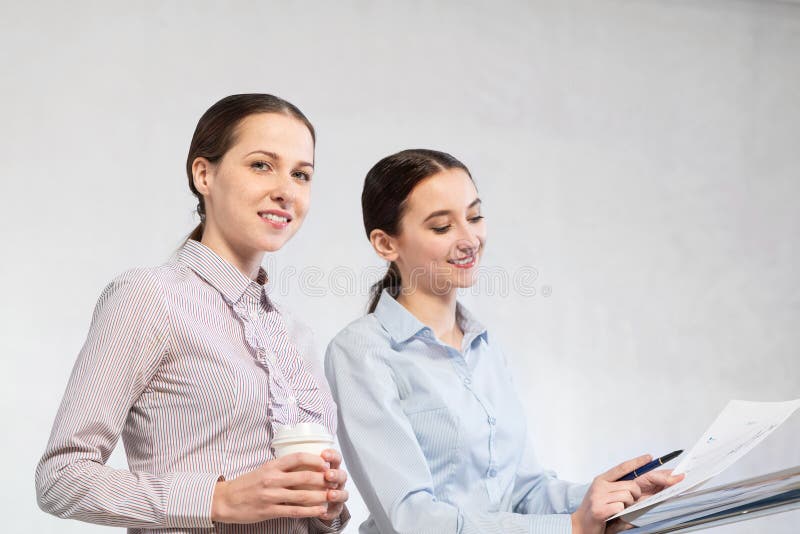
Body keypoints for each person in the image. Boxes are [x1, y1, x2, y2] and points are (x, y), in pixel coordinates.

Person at [324, 149, 682, 534]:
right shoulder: (362, 352)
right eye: (442, 227)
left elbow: (526, 492)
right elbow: (412, 519)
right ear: (385, 244)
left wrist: (610, 497)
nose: (469, 239)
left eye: (475, 217)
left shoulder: (483, 345)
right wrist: (572, 528)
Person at [36, 94, 349, 533]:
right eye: (262, 164)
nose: (285, 189)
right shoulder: (148, 297)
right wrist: (217, 499)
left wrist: (328, 507)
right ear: (204, 174)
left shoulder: (295, 333)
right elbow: (61, 479)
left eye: (301, 174)